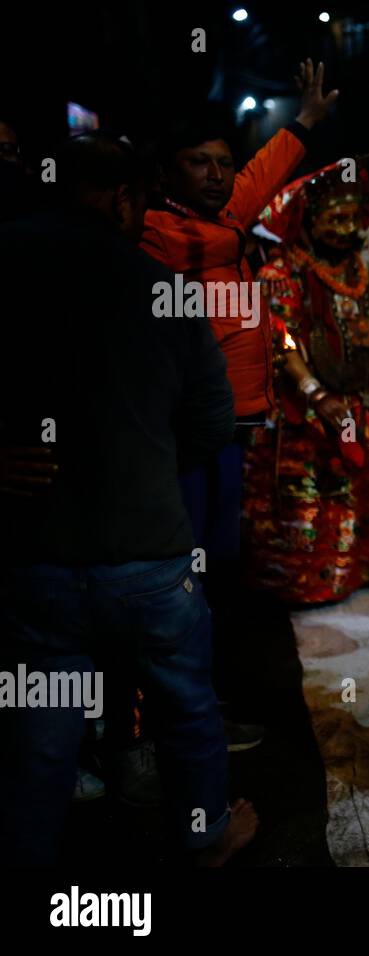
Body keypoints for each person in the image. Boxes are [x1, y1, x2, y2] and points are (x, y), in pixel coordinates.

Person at [0, 132, 256, 865]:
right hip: (148, 550)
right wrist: (143, 464)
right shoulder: (162, 286)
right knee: (186, 706)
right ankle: (204, 834)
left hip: (33, 555)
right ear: (122, 199)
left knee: (40, 728)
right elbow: (213, 418)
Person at [140, 59, 338, 741]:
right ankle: (174, 721)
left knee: (220, 570)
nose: (218, 175)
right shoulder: (160, 235)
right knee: (185, 579)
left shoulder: (223, 213)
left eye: (223, 163)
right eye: (198, 163)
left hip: (235, 428)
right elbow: (235, 217)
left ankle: (200, 706)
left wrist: (307, 120)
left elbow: (256, 182)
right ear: (165, 174)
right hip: (185, 436)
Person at [243, 162, 369, 604]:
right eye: (334, 220)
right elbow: (280, 342)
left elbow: (364, 334)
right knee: (315, 494)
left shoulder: (353, 270)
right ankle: (312, 580)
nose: (346, 230)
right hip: (304, 408)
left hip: (358, 401)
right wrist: (315, 395)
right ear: (308, 223)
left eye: (352, 220)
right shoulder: (280, 274)